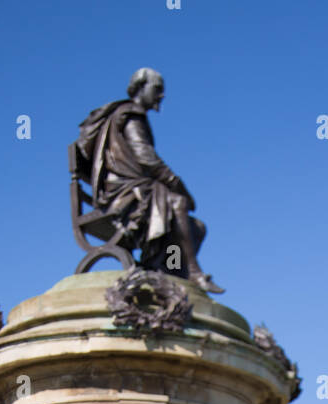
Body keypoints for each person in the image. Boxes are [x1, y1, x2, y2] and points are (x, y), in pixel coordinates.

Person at [76, 68, 224, 293]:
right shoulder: (131, 114)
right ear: (139, 88)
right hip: (122, 194)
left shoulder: (132, 115)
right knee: (177, 204)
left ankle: (171, 270)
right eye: (157, 89)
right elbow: (146, 159)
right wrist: (179, 186)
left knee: (197, 228)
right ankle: (195, 273)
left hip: (134, 191)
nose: (161, 95)